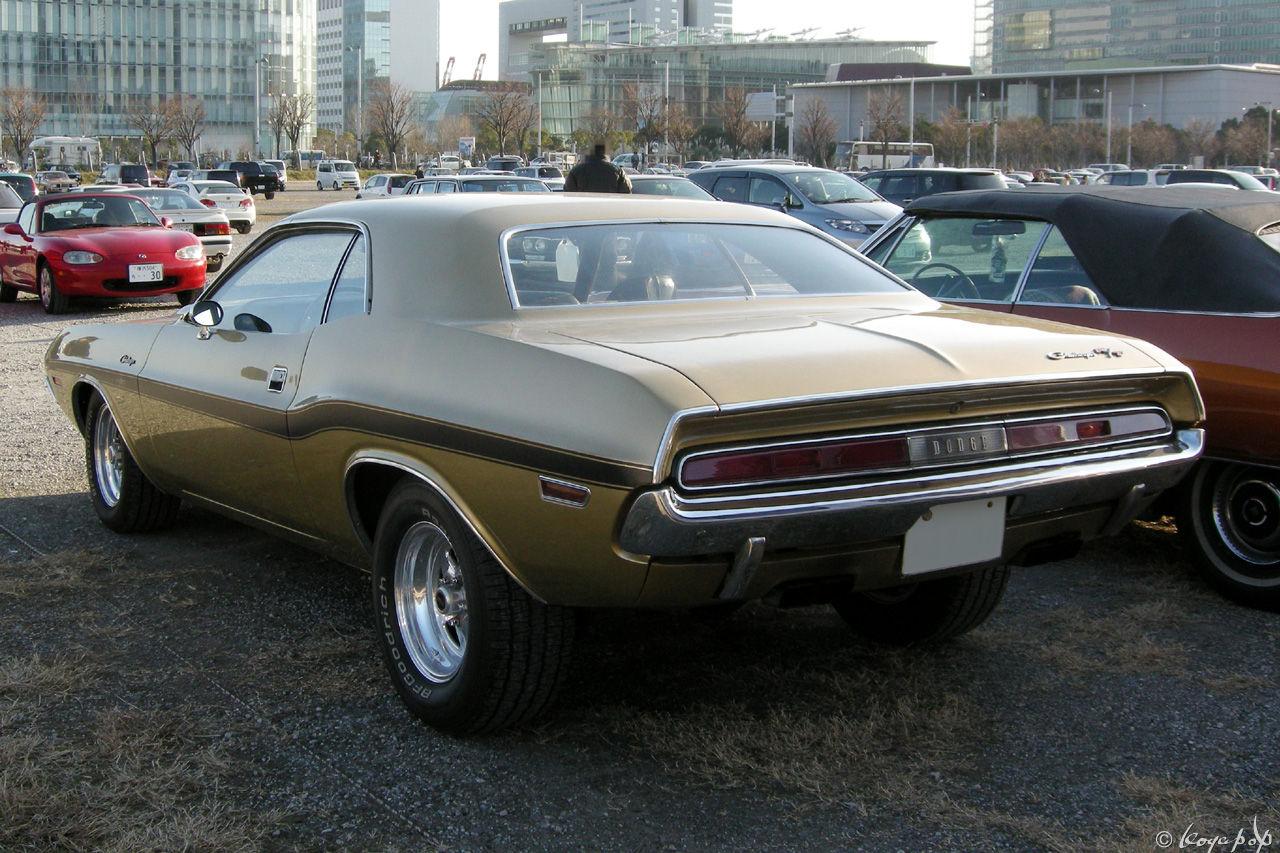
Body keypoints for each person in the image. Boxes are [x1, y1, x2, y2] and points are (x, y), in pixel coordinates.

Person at [564, 144, 631, 193]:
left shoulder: (576, 171)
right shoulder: (617, 171)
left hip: (583, 209)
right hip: (611, 209)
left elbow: (568, 192)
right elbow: (626, 192)